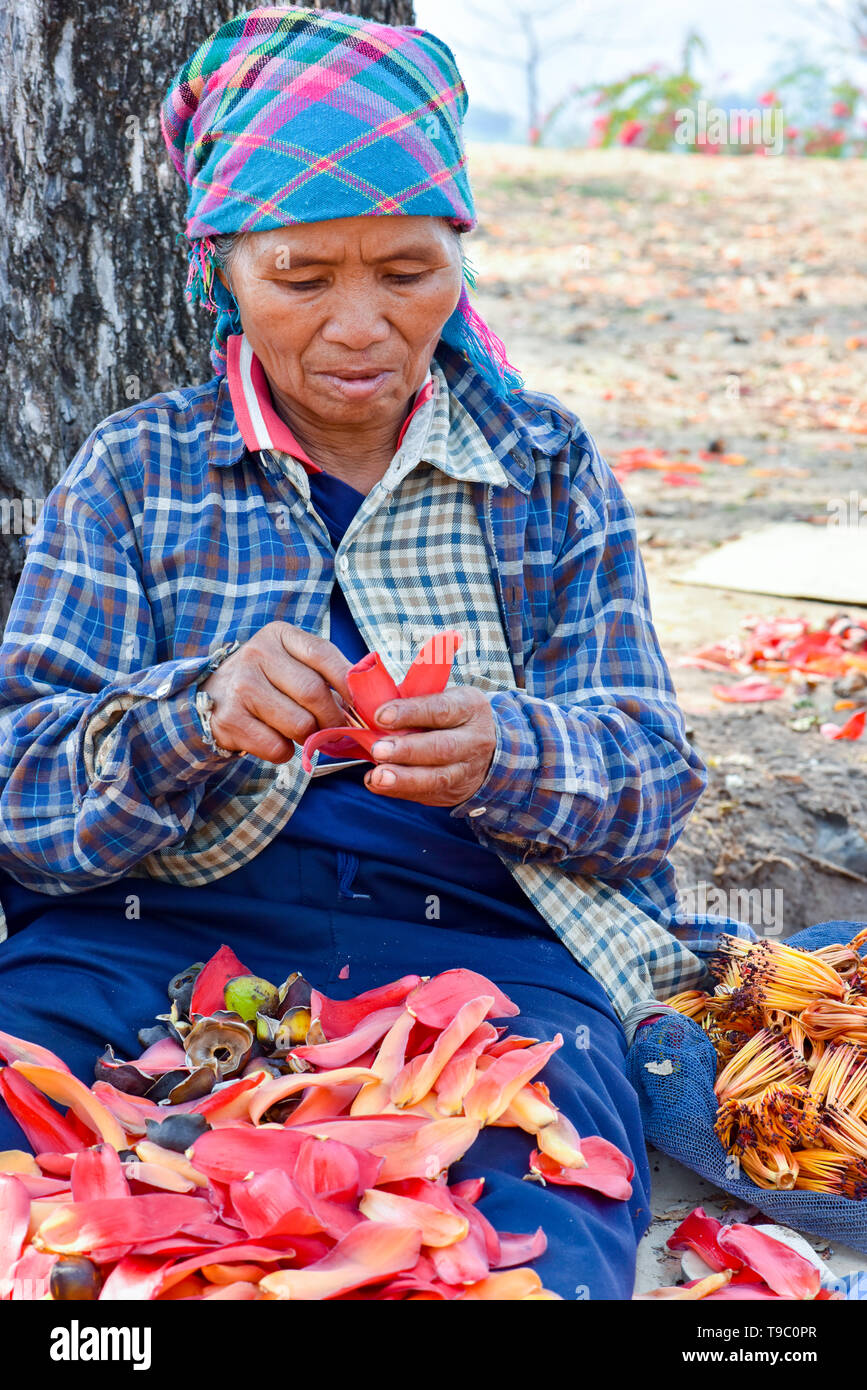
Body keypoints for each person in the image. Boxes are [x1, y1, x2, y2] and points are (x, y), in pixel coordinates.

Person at [0, 5, 752, 1299]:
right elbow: (22, 799)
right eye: (303, 277)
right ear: (219, 268)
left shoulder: (545, 470)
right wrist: (194, 717)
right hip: (148, 929)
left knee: (542, 1204)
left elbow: (650, 783)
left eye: (407, 273)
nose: (361, 325)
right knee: (37, 1147)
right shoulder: (135, 473)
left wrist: (507, 748)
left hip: (486, 952)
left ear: (458, 260)